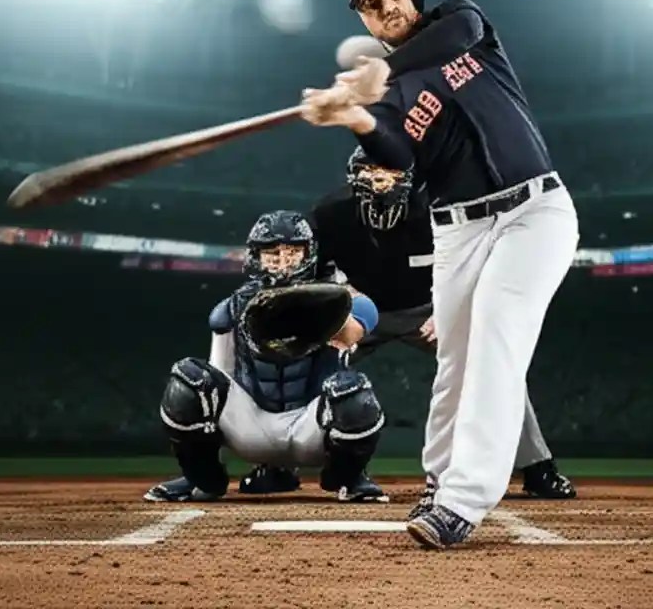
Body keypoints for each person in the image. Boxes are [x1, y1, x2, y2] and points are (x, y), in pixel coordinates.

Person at [300, 0, 580, 549]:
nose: (386, 6)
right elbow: (397, 154)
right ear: (362, 20)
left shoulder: (461, 23)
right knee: (455, 355)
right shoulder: (387, 92)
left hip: (534, 211)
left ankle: (463, 500)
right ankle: (439, 478)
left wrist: (382, 74)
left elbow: (460, 32)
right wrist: (353, 116)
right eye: (370, 5)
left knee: (497, 337)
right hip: (457, 227)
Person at [236, 147, 577, 502]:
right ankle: (277, 463)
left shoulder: (440, 207)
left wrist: (448, 309)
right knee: (299, 355)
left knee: (493, 365)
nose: (380, 181)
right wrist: (337, 296)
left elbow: (479, 261)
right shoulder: (330, 212)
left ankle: (539, 467)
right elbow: (307, 265)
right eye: (370, 172)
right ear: (354, 177)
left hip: (431, 307)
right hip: (356, 310)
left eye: (390, 171)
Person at [142, 210, 389, 503]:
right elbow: (219, 374)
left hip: (312, 428)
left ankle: (348, 478)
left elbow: (362, 320)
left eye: (293, 252)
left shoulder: (335, 298)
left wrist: (321, 317)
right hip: (251, 427)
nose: (283, 262)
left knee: (352, 390)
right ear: (255, 257)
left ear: (309, 254)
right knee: (188, 378)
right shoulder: (232, 308)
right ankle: (202, 479)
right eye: (272, 253)